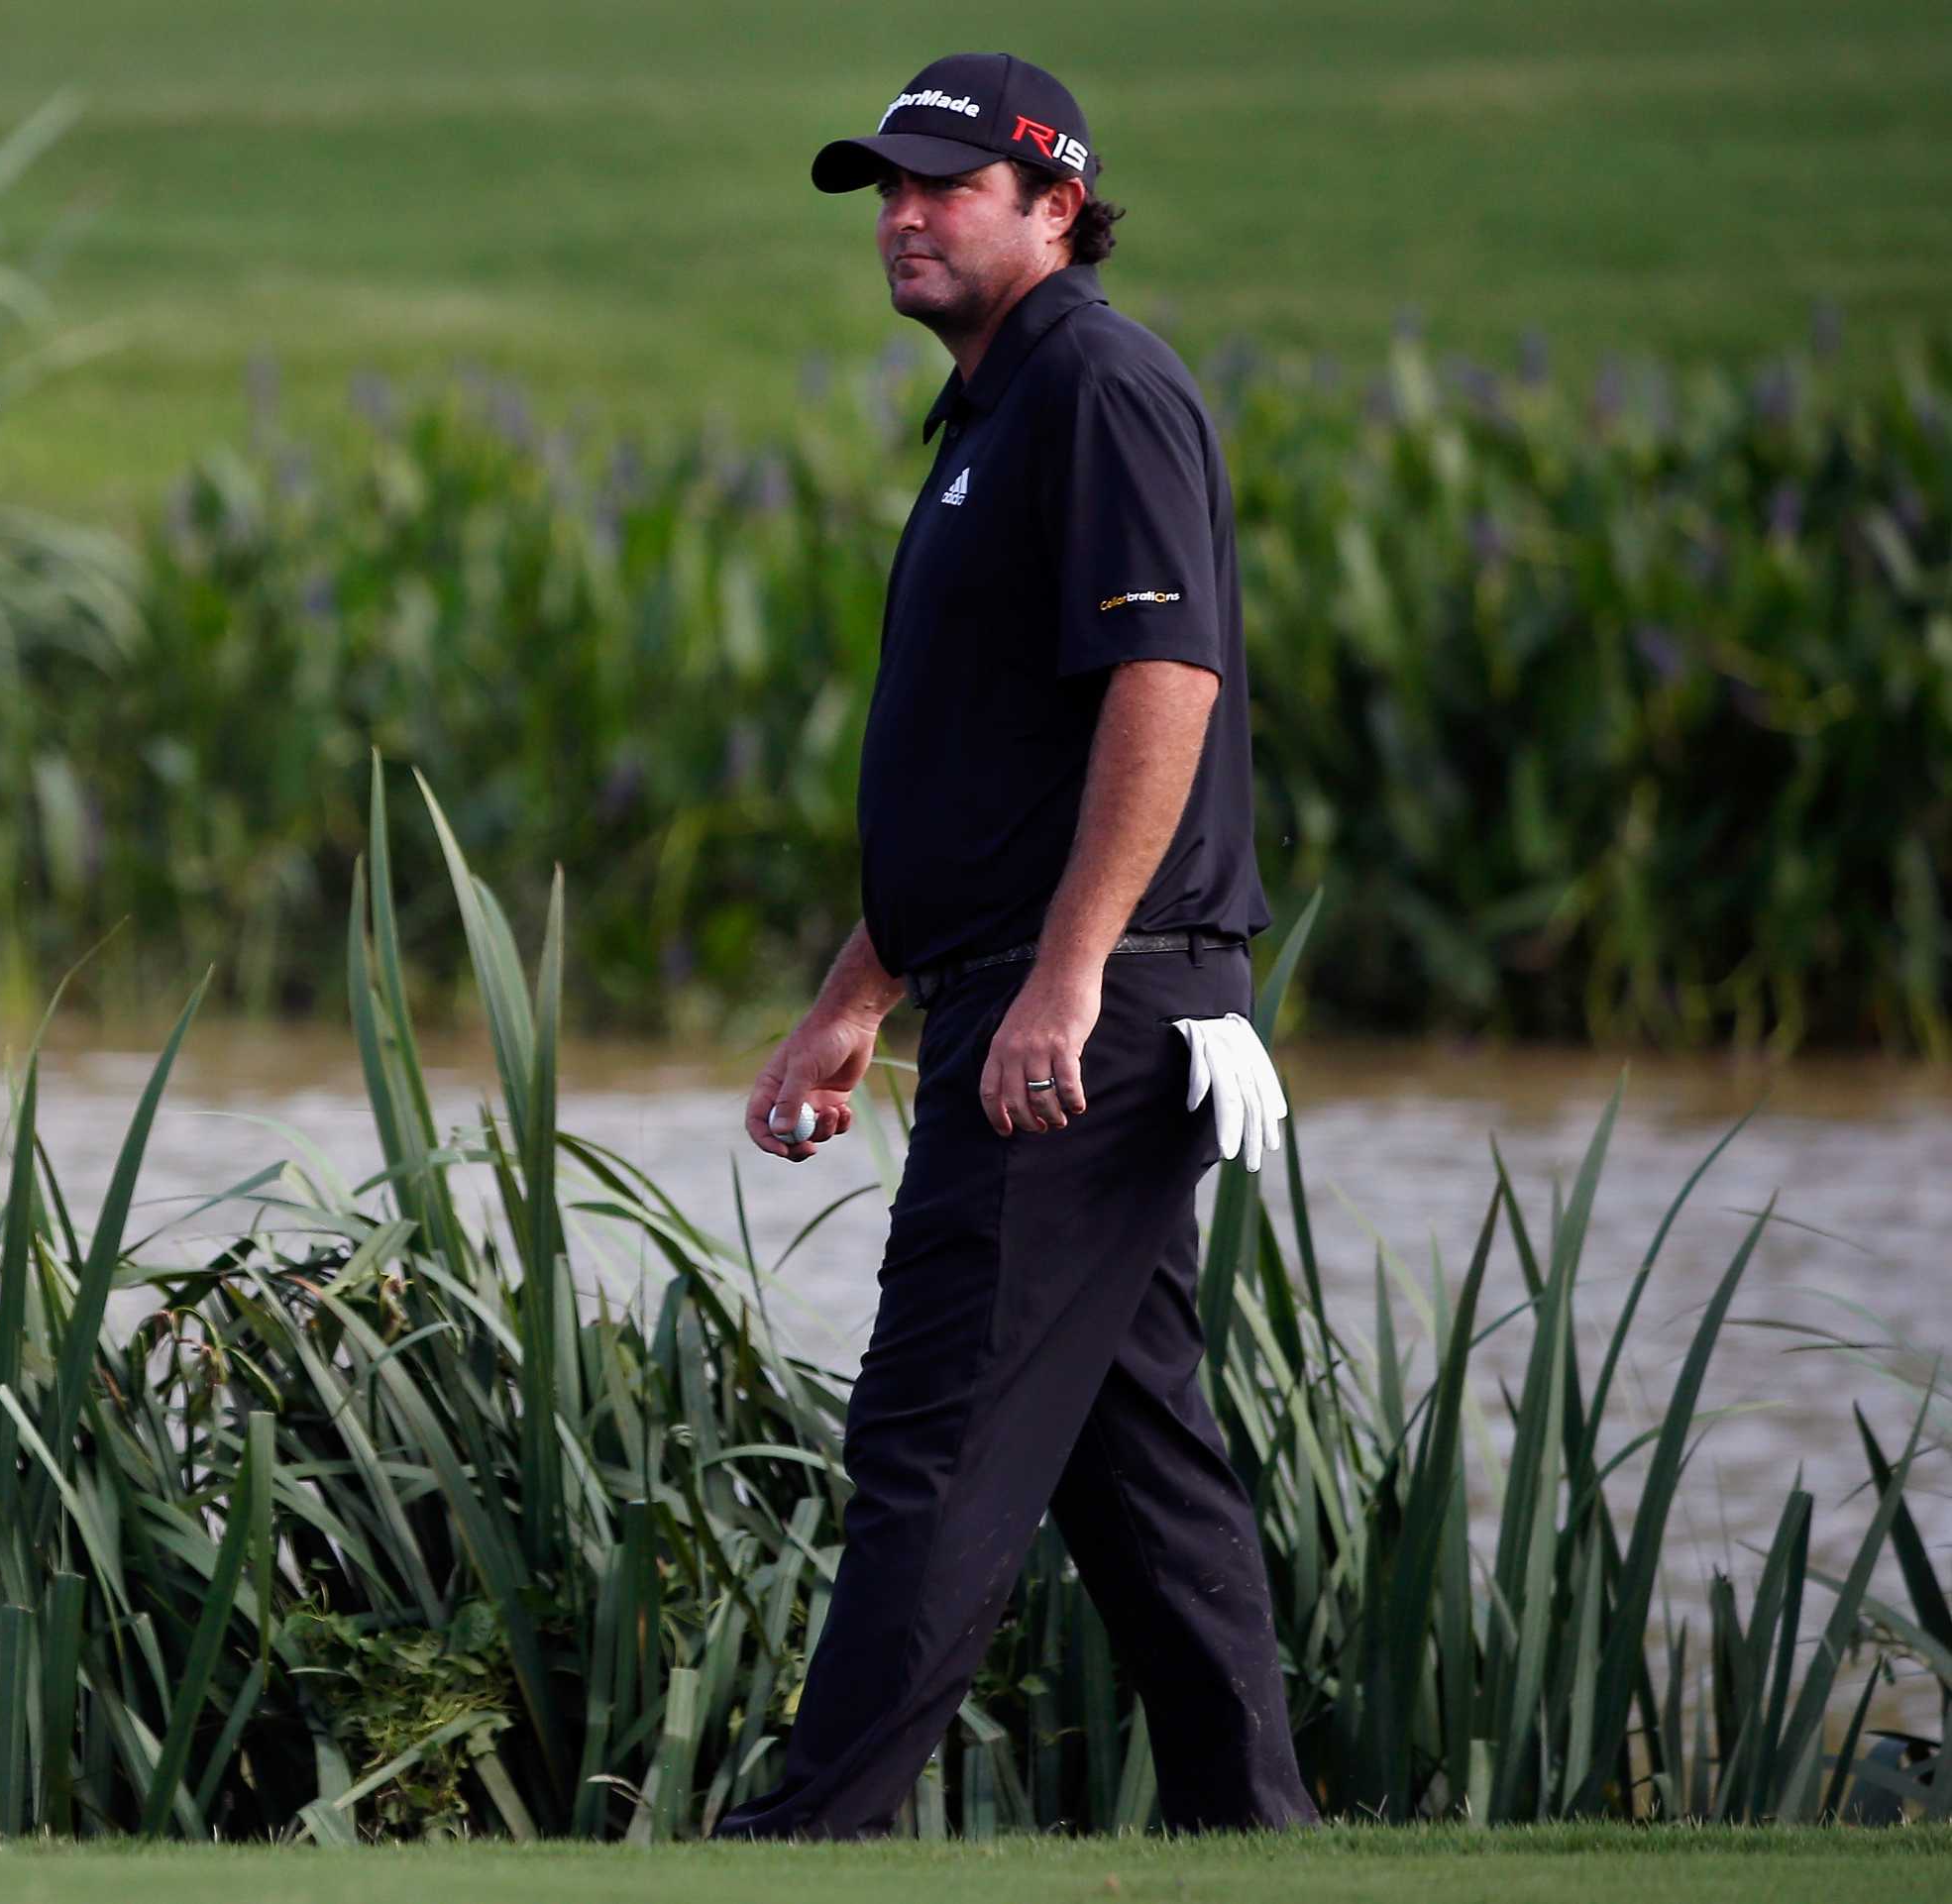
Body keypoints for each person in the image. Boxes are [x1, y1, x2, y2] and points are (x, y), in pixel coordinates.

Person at [708, 53, 1319, 1838]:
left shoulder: (1101, 388)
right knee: (1136, 1468)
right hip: (1043, 988)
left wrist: (1063, 980)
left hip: (1091, 1007)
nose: (902, 214)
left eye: (945, 185)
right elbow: (980, 776)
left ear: (1057, 206)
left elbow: (1165, 683)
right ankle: (1254, 1832)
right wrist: (852, 1001)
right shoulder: (993, 415)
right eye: (885, 187)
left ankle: (807, 1840)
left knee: (936, 1429)